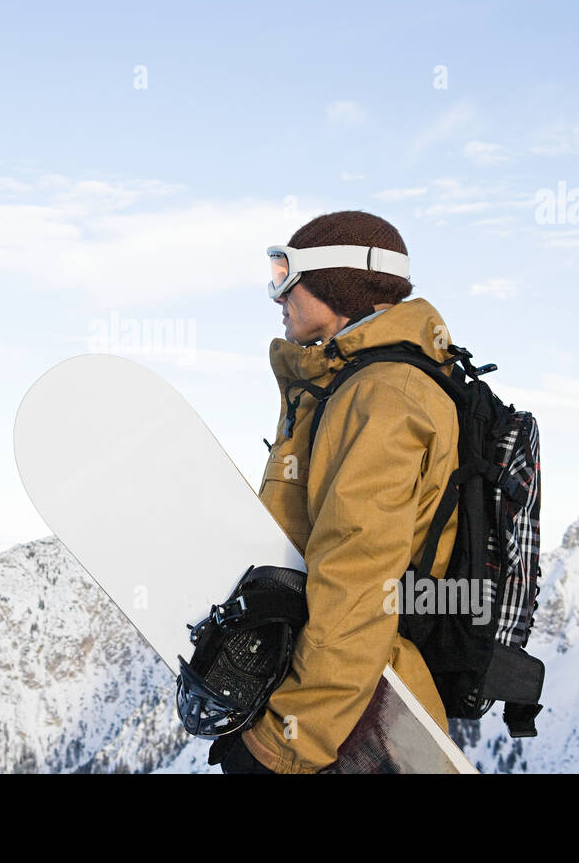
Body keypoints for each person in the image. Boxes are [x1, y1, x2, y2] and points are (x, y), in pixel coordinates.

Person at [212, 211, 462, 774]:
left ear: (336, 281)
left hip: (350, 715)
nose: (276, 293)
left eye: (286, 273)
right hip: (336, 691)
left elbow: (356, 581)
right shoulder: (351, 383)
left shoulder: (384, 396)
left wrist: (284, 745)